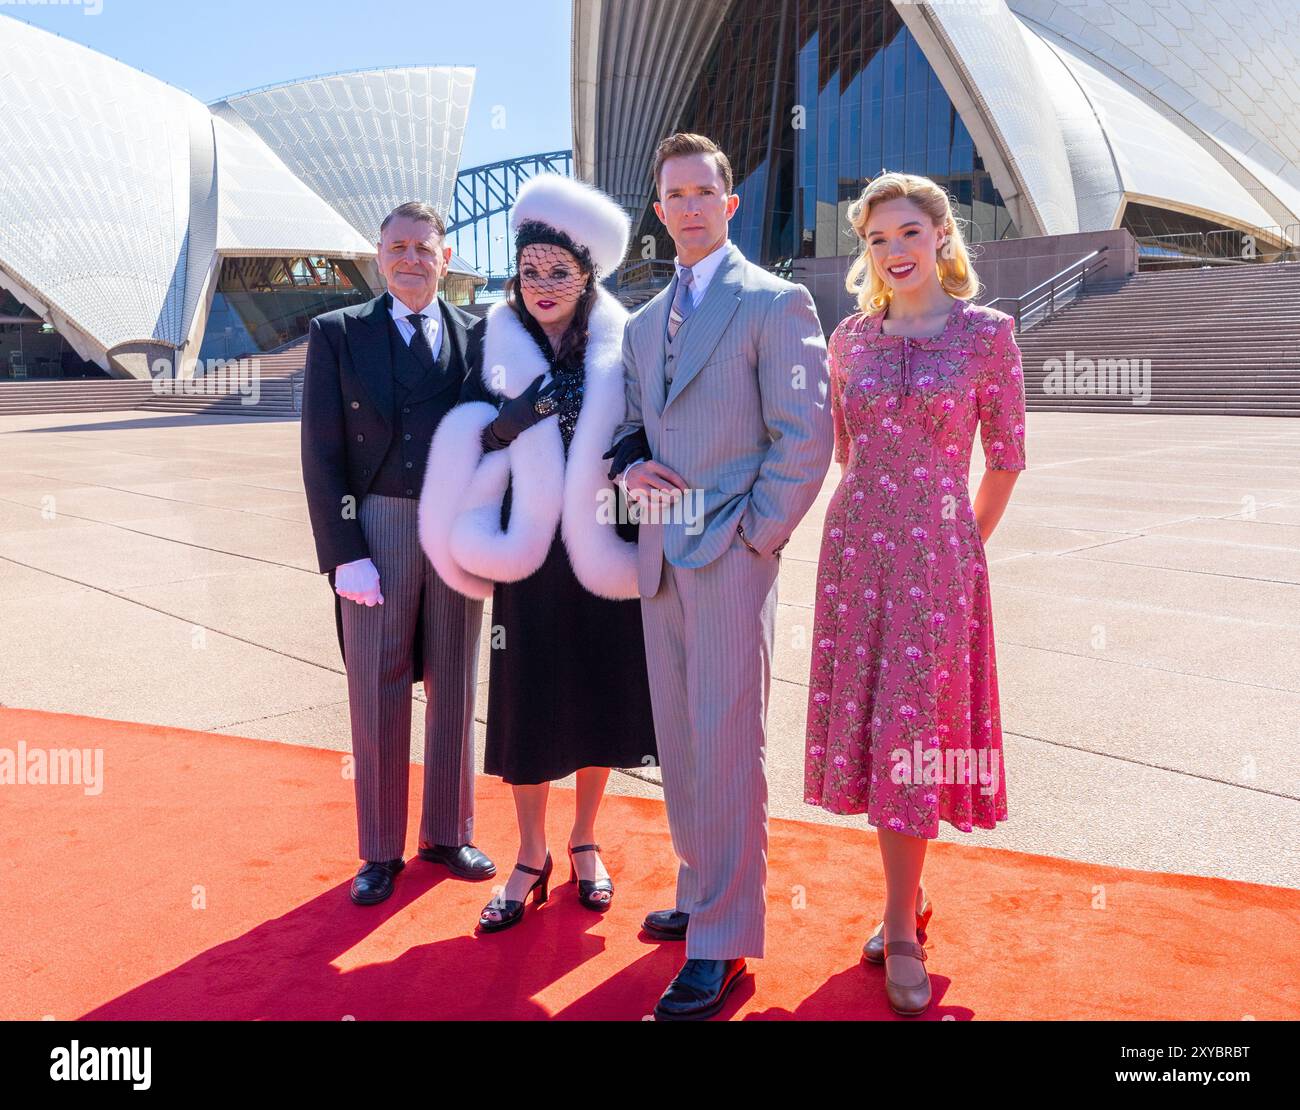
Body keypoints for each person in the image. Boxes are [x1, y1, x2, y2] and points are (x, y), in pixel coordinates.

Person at [606, 133, 833, 1020]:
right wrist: (627, 469)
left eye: (706, 191)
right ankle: (703, 895)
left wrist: (757, 540)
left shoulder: (775, 306)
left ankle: (727, 942)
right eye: (675, 194)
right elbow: (630, 422)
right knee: (685, 741)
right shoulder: (637, 320)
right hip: (661, 554)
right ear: (657, 211)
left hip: (732, 555)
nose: (691, 206)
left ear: (729, 204)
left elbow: (806, 435)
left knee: (730, 747)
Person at [803, 171, 1027, 1015]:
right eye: (876, 239)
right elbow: (841, 456)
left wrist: (962, 546)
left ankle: (900, 921)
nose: (893, 251)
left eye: (906, 233)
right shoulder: (850, 340)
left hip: (938, 560)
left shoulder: (988, 336)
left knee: (913, 728)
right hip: (855, 550)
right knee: (876, 727)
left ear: (941, 234)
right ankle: (905, 902)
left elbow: (1004, 458)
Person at [419, 174, 658, 933]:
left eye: (561, 271)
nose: (545, 285)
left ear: (588, 274)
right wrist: (512, 420)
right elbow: (459, 434)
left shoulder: (624, 343)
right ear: (515, 276)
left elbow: (650, 425)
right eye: (531, 271)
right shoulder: (491, 342)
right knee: (526, 703)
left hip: (599, 543)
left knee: (598, 697)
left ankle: (585, 840)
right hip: (529, 555)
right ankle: (530, 853)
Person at [301, 201, 496, 906]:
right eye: (398, 246)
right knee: (377, 684)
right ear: (378, 256)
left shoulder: (480, 334)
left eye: (424, 247)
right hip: (376, 524)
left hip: (457, 526)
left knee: (456, 679)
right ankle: (379, 850)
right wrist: (342, 551)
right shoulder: (337, 334)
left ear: (446, 259)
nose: (411, 258)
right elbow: (321, 454)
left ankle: (448, 829)